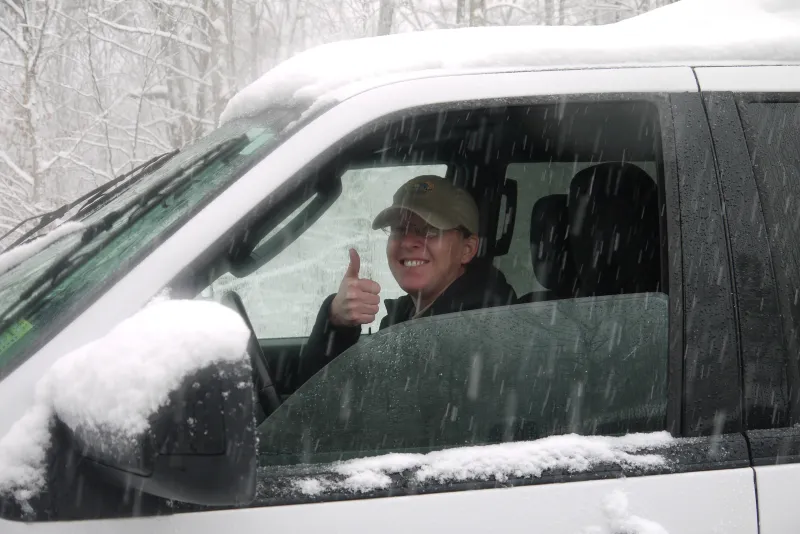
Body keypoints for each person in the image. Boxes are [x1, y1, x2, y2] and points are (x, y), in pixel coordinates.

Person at [296, 175, 516, 387]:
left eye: (430, 230)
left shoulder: (484, 332)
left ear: (467, 249)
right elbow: (319, 395)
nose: (408, 242)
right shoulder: (405, 317)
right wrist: (336, 321)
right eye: (399, 229)